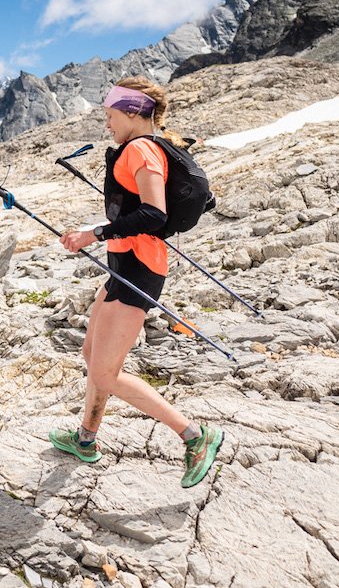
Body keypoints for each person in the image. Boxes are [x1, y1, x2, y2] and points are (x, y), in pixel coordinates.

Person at [50, 76, 223, 489]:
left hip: (138, 267)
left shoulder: (142, 150)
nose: (107, 124)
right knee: (94, 358)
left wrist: (93, 235)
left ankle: (195, 436)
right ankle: (86, 440)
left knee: (106, 372)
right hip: (124, 265)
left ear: (131, 112)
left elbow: (154, 215)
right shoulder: (145, 147)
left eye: (110, 116)